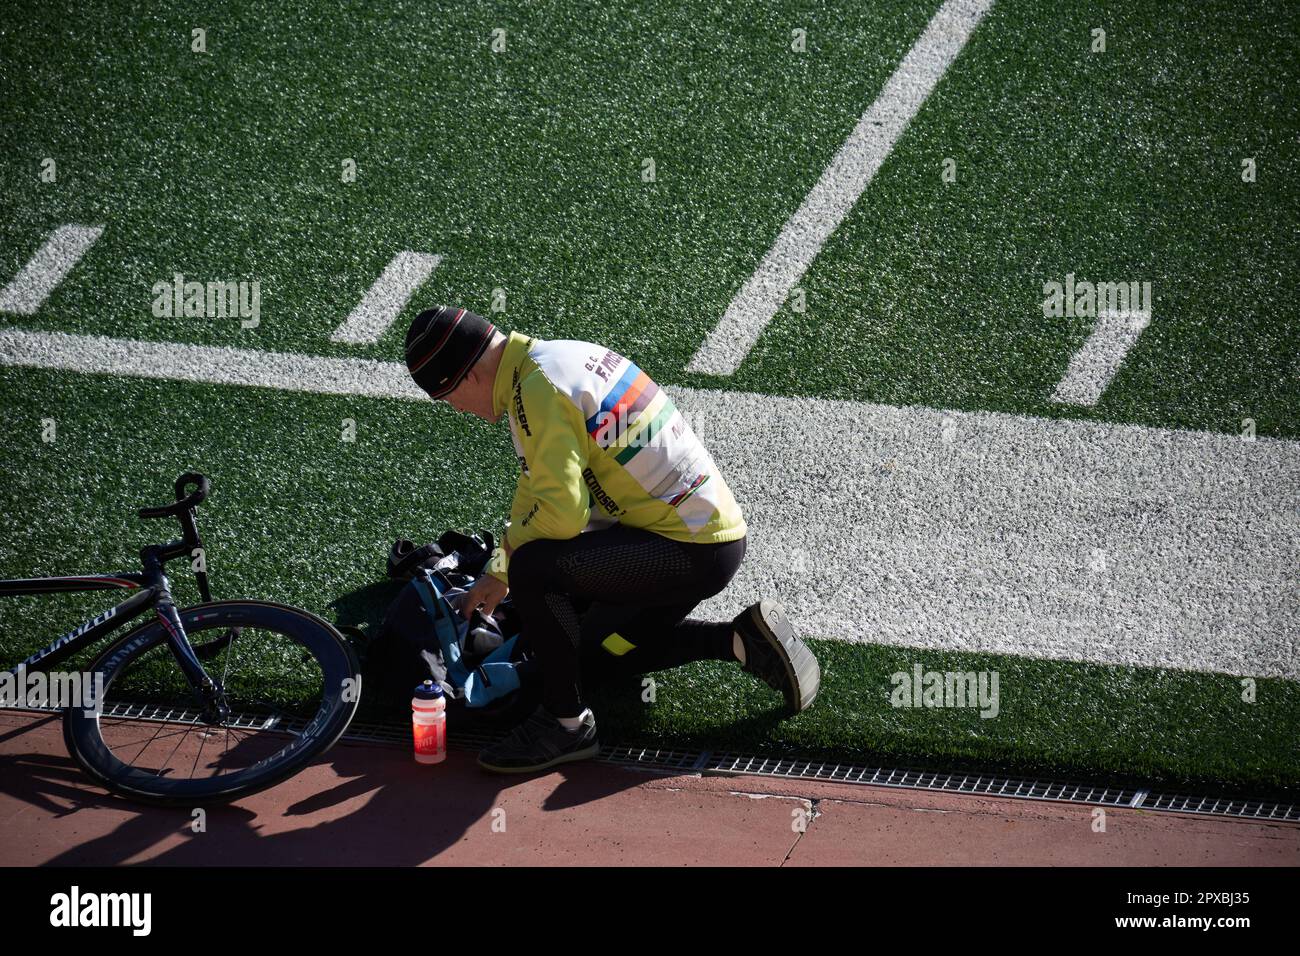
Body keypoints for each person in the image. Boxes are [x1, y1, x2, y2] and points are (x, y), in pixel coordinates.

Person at [404, 305, 820, 773]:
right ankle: (740, 642)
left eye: (448, 399)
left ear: (466, 377)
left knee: (536, 571)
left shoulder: (537, 391)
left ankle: (565, 726)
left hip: (687, 548)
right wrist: (496, 569)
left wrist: (513, 558)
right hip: (698, 536)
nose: (460, 411)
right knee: (591, 655)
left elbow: (561, 517)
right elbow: (536, 487)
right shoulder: (549, 362)